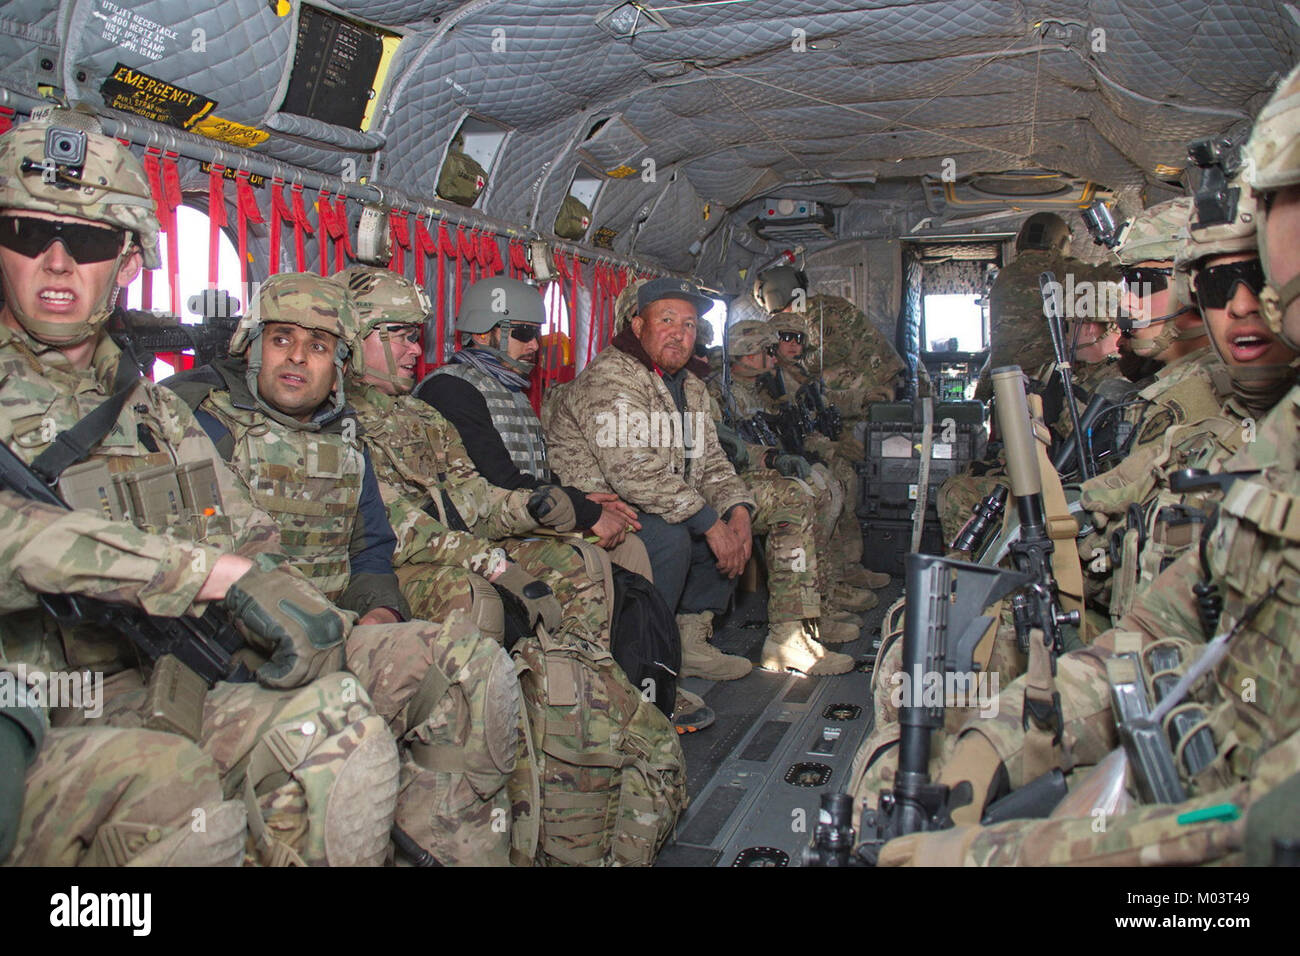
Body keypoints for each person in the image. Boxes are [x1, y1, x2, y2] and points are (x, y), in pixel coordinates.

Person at [866, 70, 1300, 863]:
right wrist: (1002, 741)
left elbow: (1265, 823)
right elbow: (1159, 623)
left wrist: (1004, 852)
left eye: (1252, 276)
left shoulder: (1217, 419)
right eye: (1214, 282)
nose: (1243, 304)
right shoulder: (1270, 442)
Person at [0, 111, 398, 867]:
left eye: (86, 242)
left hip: (144, 678)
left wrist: (283, 605)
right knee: (174, 792)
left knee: (342, 728)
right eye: (28, 235)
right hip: (26, 705)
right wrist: (201, 575)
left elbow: (242, 534)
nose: (56, 263)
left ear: (124, 265)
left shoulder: (148, 407)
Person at [164, 271, 529, 865]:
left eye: (319, 347)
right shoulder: (200, 421)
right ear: (253, 346)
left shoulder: (347, 434)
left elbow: (370, 548)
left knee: (473, 667)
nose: (298, 359)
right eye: (282, 340)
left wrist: (378, 615)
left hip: (341, 631)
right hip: (235, 649)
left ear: (340, 363)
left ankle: (450, 840)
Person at [544, 277, 854, 676]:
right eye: (667, 320)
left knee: (730, 518)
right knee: (678, 535)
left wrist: (738, 510)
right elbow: (633, 473)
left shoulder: (688, 386)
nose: (680, 334)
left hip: (660, 501)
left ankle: (706, 639)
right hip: (608, 509)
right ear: (637, 326)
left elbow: (709, 461)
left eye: (689, 325)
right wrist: (710, 523)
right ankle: (649, 659)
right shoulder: (611, 378)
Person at [973, 212, 1117, 401]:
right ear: (1063, 242)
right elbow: (1112, 276)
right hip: (1041, 385)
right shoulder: (1062, 269)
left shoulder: (1005, 274)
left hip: (1003, 383)